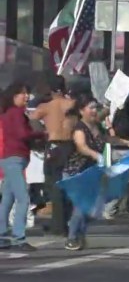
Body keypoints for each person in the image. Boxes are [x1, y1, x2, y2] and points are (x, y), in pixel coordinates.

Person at [64, 96, 129, 250]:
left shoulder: (96, 126)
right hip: (77, 172)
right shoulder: (79, 128)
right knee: (81, 205)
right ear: (81, 111)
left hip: (92, 171)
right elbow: (81, 146)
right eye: (90, 108)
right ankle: (71, 238)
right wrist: (95, 154)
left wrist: (127, 142)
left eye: (94, 108)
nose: (93, 111)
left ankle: (80, 235)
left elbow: (108, 139)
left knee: (91, 208)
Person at [0, 83, 46, 251]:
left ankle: (2, 236)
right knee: (23, 198)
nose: (27, 97)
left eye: (27, 93)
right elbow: (23, 134)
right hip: (14, 158)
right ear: (13, 96)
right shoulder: (17, 113)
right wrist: (42, 133)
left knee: (7, 199)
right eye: (23, 94)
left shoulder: (7, 113)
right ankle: (19, 238)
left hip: (9, 158)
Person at [29, 75, 75, 236]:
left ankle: (58, 226)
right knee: (69, 183)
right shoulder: (72, 104)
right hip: (71, 146)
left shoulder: (46, 107)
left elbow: (31, 120)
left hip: (54, 145)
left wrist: (42, 134)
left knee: (53, 185)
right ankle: (66, 222)